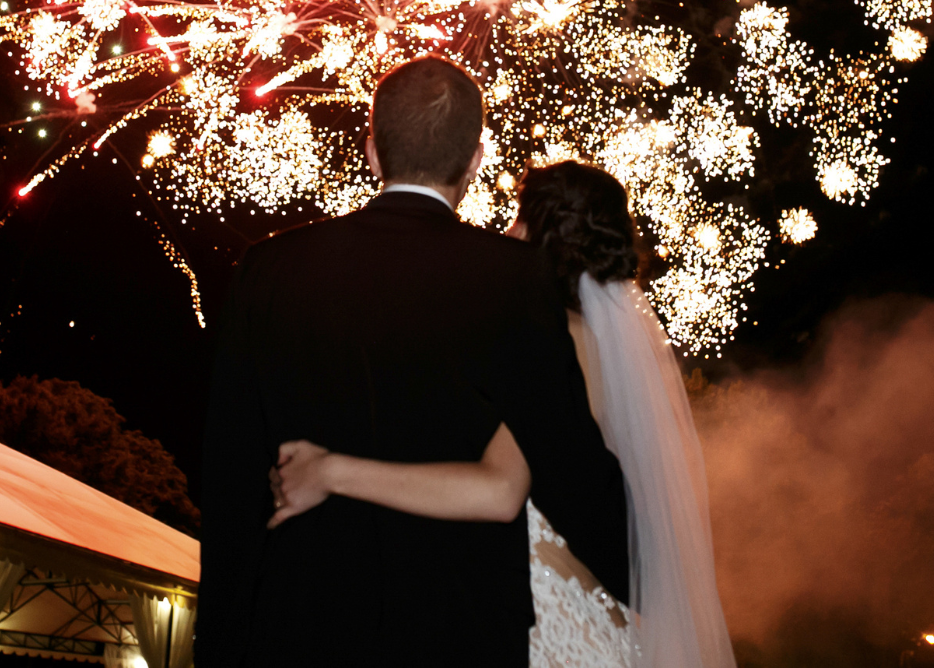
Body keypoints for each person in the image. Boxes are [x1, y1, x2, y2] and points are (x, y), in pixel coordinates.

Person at [198, 57, 628, 667]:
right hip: (460, 633)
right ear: (475, 161)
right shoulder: (515, 278)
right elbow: (569, 464)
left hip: (299, 628)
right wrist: (647, 577)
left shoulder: (268, 269)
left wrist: (219, 648)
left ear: (372, 152)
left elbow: (231, 482)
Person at [269, 162, 738, 668]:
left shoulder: (558, 339)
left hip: (541, 619)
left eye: (519, 219)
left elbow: (500, 490)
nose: (507, 233)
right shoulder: (595, 340)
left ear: (543, 236)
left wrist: (328, 471)